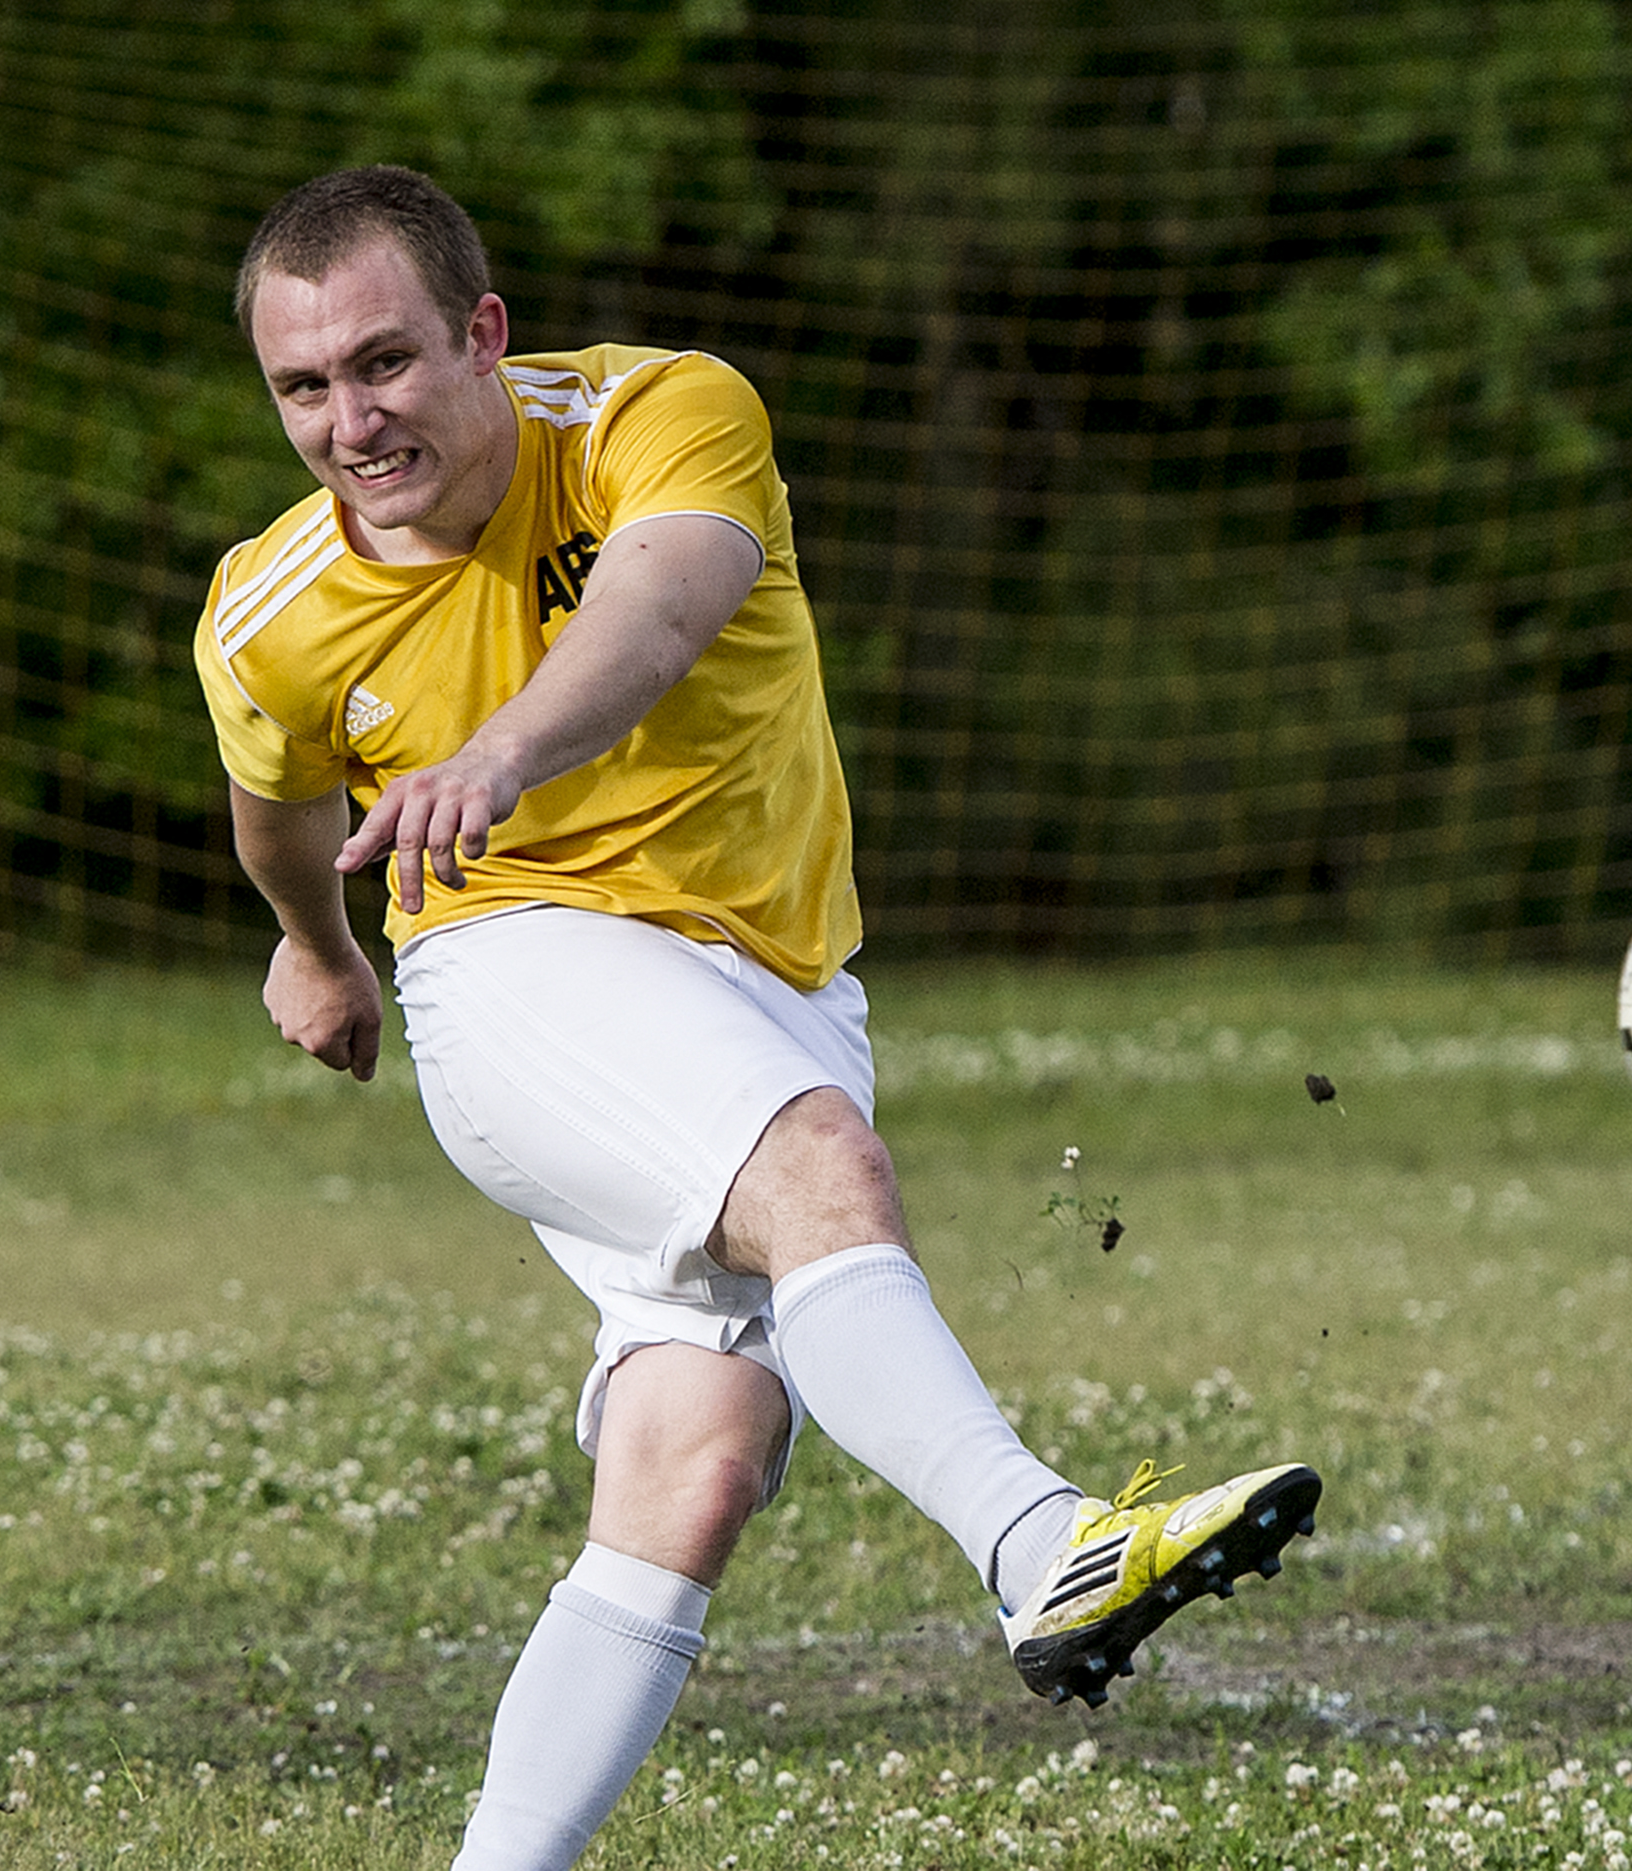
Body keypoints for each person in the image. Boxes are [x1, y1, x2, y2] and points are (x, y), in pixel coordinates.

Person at [193, 165, 1320, 1871]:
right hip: (510, 968)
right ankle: (1044, 1545)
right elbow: (273, 806)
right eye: (304, 386)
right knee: (820, 1171)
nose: (351, 423)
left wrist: (499, 750)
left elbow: (657, 613)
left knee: (696, 1456)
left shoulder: (661, 414)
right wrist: (316, 947)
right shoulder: (268, 610)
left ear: (484, 334)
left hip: (773, 985)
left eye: (384, 362)